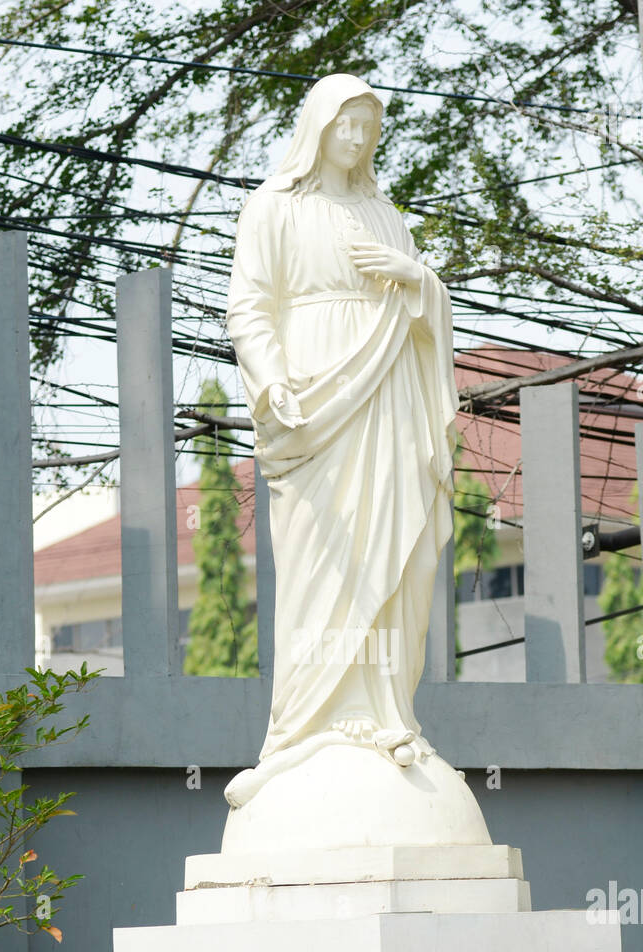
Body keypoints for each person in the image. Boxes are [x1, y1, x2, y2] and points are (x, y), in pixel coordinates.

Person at [225, 72, 459, 810]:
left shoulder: (385, 213)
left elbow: (425, 315)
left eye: (368, 126)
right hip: (313, 394)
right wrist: (269, 380)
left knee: (403, 550)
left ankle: (388, 710)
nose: (358, 139)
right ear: (319, 128)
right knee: (324, 551)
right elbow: (249, 305)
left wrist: (414, 277)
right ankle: (310, 723)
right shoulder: (274, 207)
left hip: (387, 386)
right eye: (346, 124)